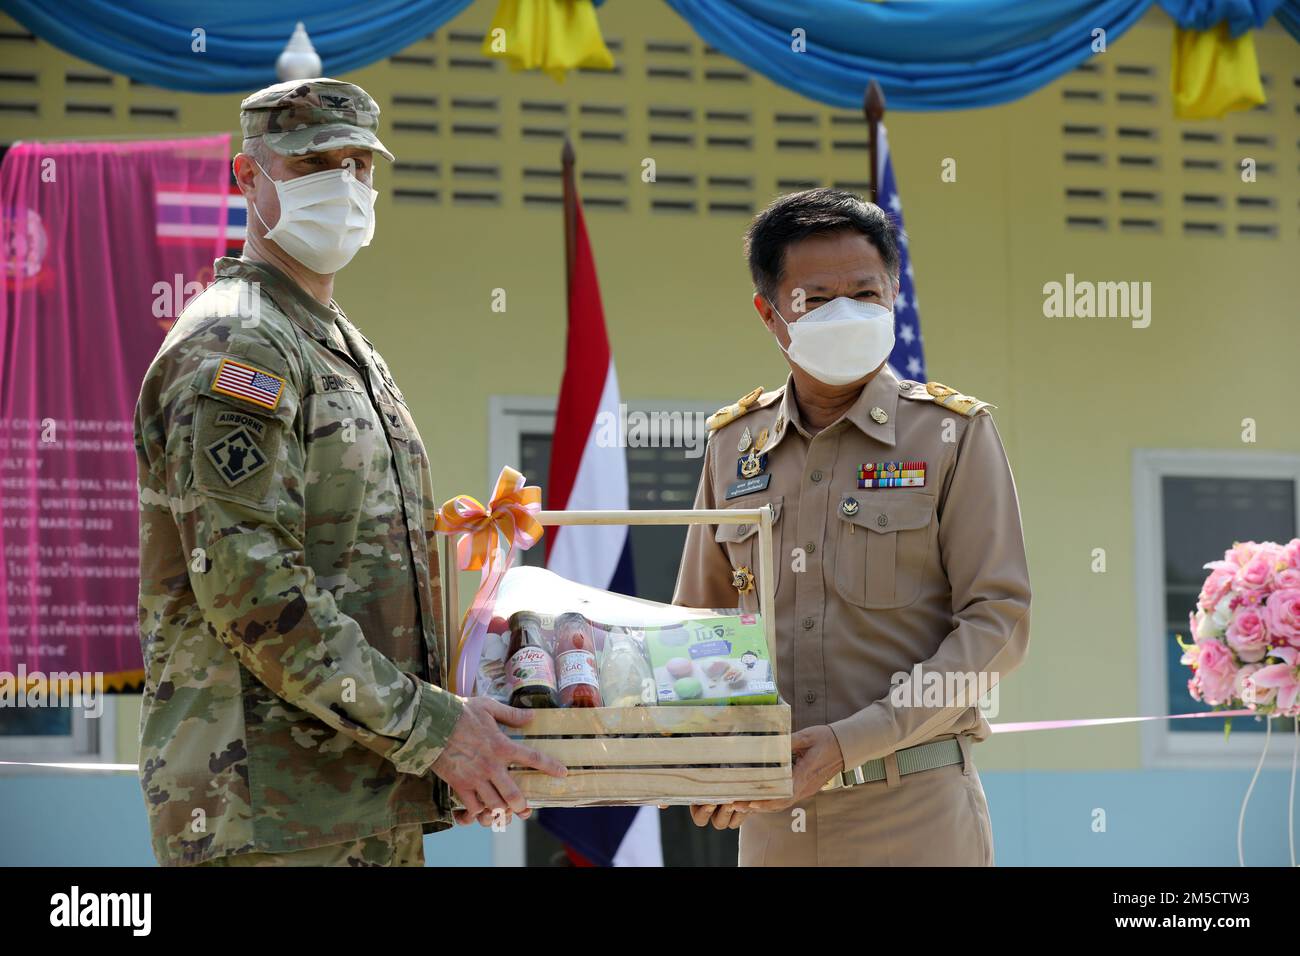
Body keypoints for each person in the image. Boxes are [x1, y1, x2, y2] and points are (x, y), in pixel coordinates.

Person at [134, 78, 564, 867]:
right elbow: (251, 587)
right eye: (312, 165)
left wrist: (449, 726)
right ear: (247, 175)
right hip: (266, 813)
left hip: (355, 803)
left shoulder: (335, 344)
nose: (345, 185)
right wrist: (436, 730)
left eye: (359, 164)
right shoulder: (240, 345)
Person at [672, 188, 1030, 866]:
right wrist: (708, 751)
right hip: (773, 817)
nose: (847, 314)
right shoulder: (733, 445)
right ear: (771, 316)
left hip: (915, 811)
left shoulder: (953, 435)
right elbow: (702, 623)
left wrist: (853, 740)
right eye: (815, 299)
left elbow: (997, 624)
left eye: (866, 295)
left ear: (894, 294)